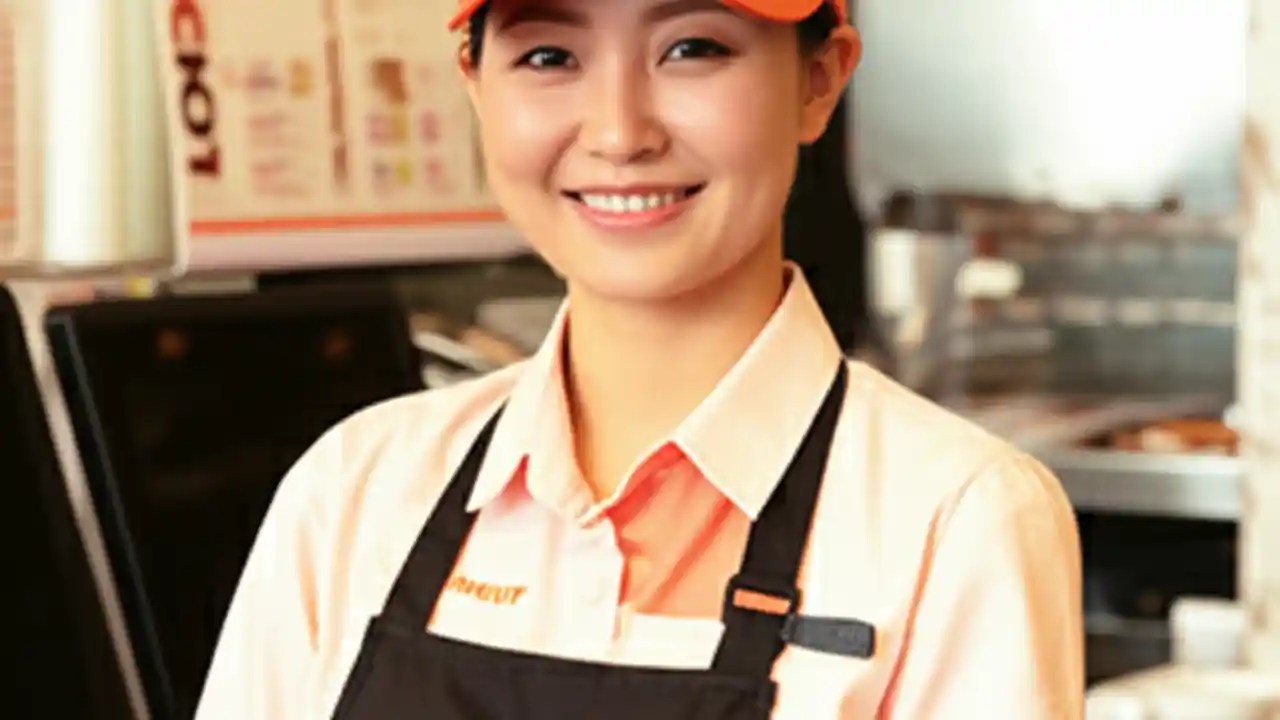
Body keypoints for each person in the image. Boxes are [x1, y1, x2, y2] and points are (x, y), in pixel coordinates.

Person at [195, 0, 1084, 717]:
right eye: (549, 56)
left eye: (692, 46)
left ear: (820, 80)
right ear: (475, 84)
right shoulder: (357, 489)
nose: (619, 133)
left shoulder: (956, 519)